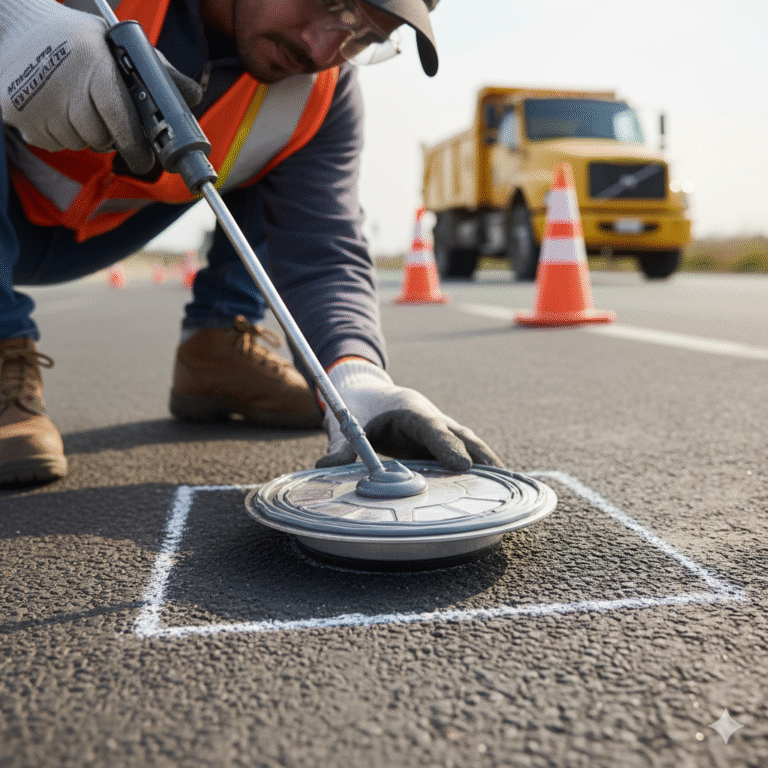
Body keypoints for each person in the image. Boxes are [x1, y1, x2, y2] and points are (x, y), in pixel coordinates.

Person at [0, 0, 502, 488]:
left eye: (365, 37)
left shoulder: (322, 94)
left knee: (284, 155)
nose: (323, 50)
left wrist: (357, 379)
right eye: (330, 3)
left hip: (102, 230)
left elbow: (322, 248)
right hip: (17, 201)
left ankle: (217, 345)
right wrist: (15, 20)